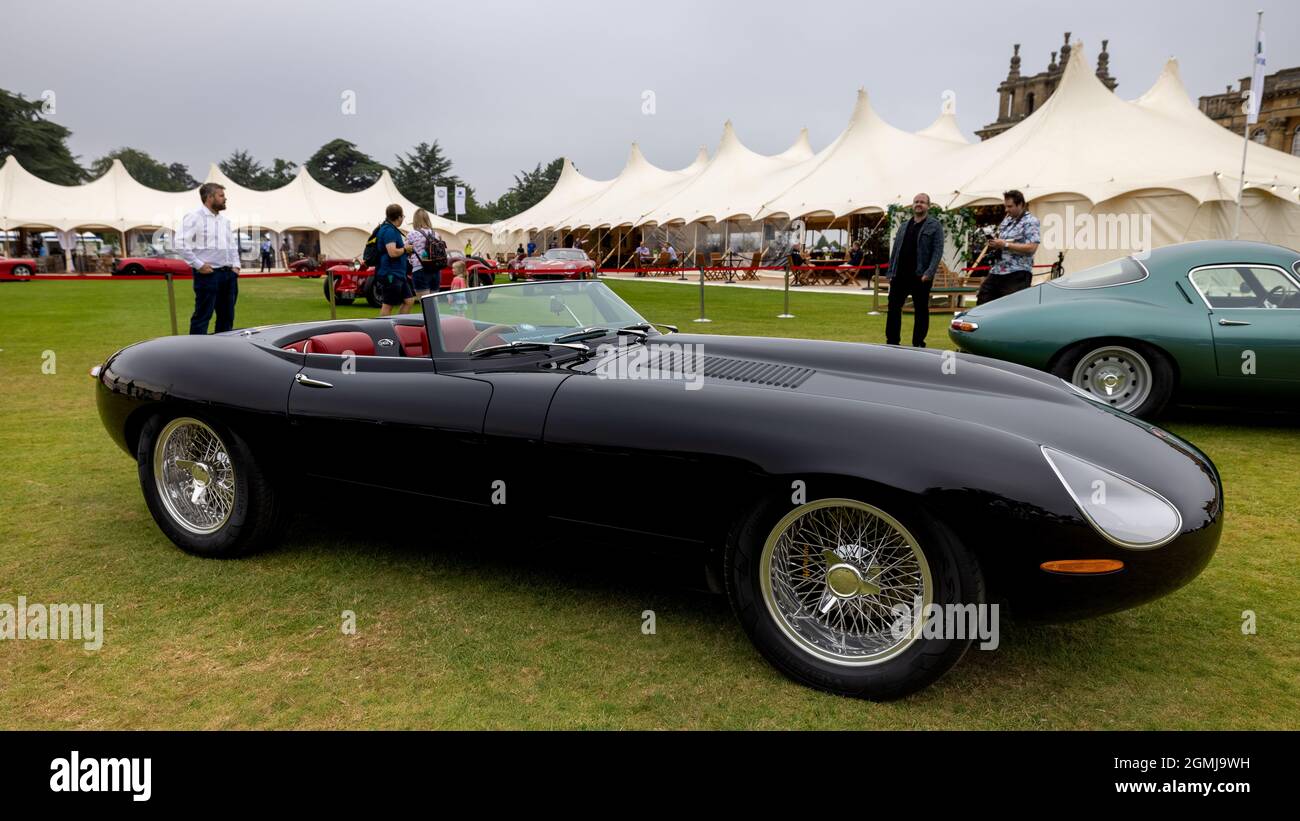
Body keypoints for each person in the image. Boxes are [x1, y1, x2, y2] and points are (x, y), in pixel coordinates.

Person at [177, 182, 241, 335]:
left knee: (227, 318)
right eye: (221, 195)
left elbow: (231, 245)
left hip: (228, 275)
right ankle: (196, 354)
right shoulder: (194, 217)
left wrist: (236, 265)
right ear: (209, 197)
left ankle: (223, 352)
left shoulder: (224, 221)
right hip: (208, 275)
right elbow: (180, 243)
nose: (225, 199)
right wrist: (198, 265)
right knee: (202, 317)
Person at [884, 192, 944, 348]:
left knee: (921, 311)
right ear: (912, 205)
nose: (919, 204)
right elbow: (896, 250)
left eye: (922, 202)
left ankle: (918, 343)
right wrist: (891, 271)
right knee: (893, 309)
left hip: (920, 276)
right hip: (900, 275)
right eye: (916, 201)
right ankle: (892, 342)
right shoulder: (904, 226)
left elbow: (937, 251)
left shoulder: (934, 226)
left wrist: (929, 273)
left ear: (928, 206)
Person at [977, 189, 1041, 305]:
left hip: (1017, 273)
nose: (1006, 210)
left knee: (1011, 309)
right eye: (1005, 206)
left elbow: (1032, 248)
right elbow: (1002, 241)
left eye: (1010, 206)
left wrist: (1005, 245)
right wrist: (995, 244)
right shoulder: (1007, 220)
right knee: (982, 302)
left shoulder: (1031, 221)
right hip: (997, 270)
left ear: (1020, 204)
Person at [376, 203, 414, 316]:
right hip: (391, 273)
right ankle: (381, 330)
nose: (403, 218)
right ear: (399, 217)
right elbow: (392, 252)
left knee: (409, 301)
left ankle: (399, 326)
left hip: (398, 273)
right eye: (403, 216)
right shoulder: (389, 231)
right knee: (388, 305)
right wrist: (406, 249)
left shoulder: (391, 229)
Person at [405, 208, 441, 297]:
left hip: (420, 269)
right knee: (433, 304)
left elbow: (405, 250)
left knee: (426, 304)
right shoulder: (436, 234)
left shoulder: (412, 234)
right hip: (435, 270)